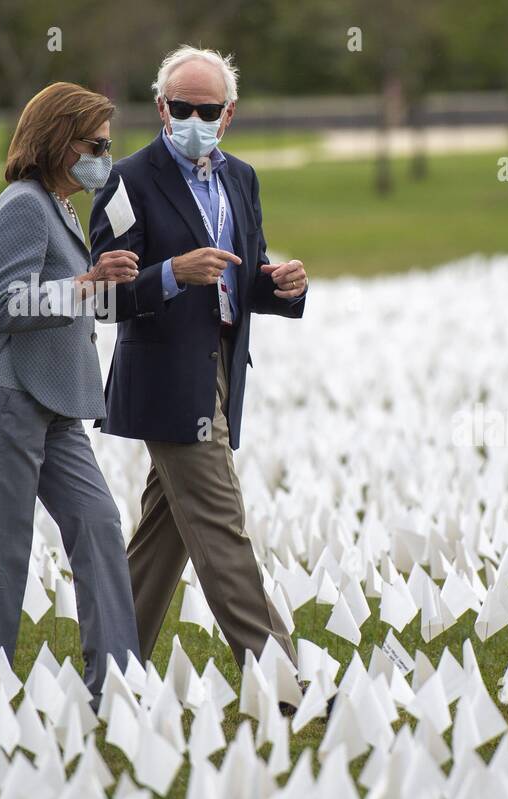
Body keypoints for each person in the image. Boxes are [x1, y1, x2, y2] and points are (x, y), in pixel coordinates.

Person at [88, 46, 309, 704]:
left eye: (204, 110)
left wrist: (284, 286)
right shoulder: (124, 182)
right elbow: (103, 297)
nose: (191, 119)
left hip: (220, 372)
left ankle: (108, 670)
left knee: (164, 534)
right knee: (220, 525)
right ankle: (284, 686)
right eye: (179, 107)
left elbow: (246, 276)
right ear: (160, 106)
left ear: (228, 114)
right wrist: (170, 273)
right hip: (164, 383)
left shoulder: (241, 179)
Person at [0, 82, 142, 724]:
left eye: (109, 146)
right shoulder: (22, 206)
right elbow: (7, 306)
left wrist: (104, 284)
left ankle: (117, 688)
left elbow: (69, 300)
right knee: (2, 550)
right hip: (7, 390)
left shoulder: (63, 211)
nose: (104, 157)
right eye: (96, 144)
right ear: (59, 141)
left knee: (99, 525)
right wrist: (86, 282)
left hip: (58, 400)